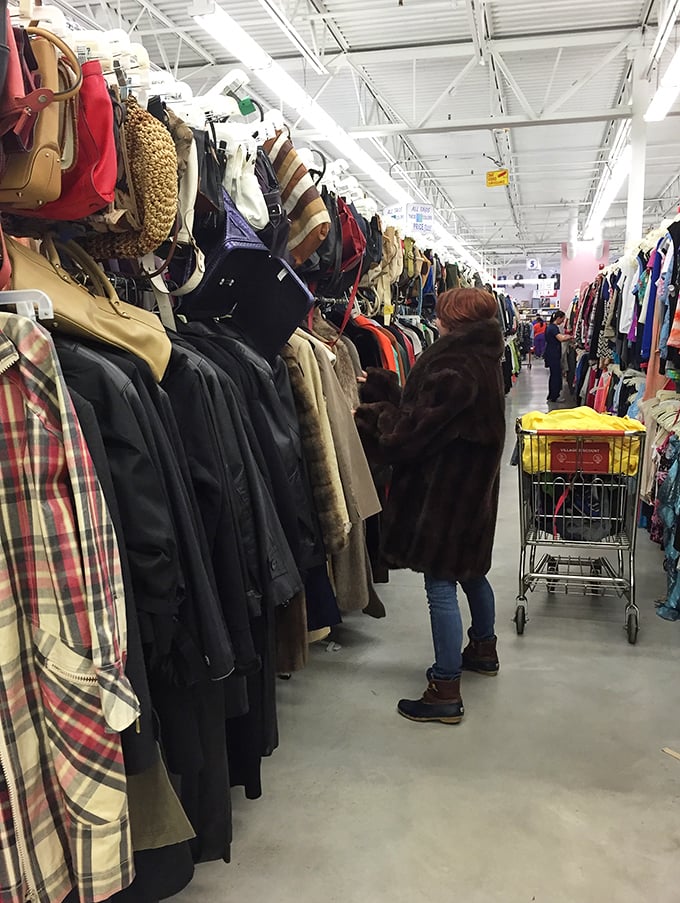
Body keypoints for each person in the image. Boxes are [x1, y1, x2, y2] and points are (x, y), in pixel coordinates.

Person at [355, 288, 506, 725]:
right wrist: (386, 385)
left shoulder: (454, 365)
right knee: (471, 571)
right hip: (471, 488)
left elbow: (409, 434)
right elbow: (431, 414)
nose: (435, 320)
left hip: (444, 493)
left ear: (453, 320)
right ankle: (483, 648)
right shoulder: (482, 358)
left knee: (440, 584)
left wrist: (372, 415)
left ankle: (445, 689)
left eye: (441, 314)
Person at [545, 311, 571, 402]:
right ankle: (555, 396)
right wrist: (570, 337)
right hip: (553, 354)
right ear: (558, 318)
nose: (563, 322)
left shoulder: (550, 327)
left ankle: (551, 395)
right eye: (562, 320)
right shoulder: (553, 328)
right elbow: (561, 338)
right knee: (556, 375)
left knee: (553, 375)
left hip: (551, 353)